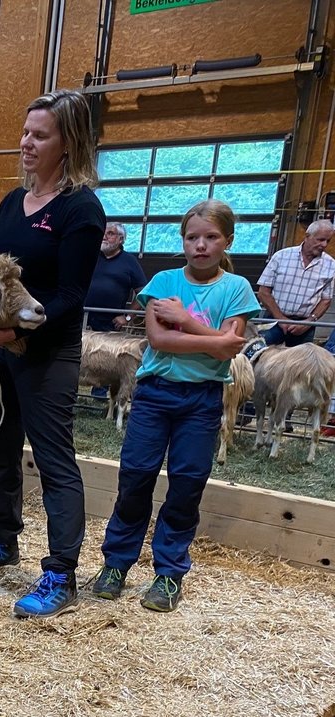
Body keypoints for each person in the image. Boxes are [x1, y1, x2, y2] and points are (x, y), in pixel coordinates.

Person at [0, 89, 106, 619]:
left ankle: (61, 572)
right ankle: (3, 540)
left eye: (39, 135)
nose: (26, 142)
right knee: (0, 448)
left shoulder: (80, 208)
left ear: (68, 143)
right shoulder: (9, 204)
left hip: (46, 354)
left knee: (53, 460)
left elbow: (70, 297)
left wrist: (10, 337)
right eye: (25, 132)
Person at [90, 199, 259, 612]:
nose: (200, 245)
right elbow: (161, 341)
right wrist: (212, 338)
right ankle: (117, 562)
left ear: (227, 241)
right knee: (136, 476)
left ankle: (169, 573)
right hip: (155, 394)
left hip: (201, 399)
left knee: (187, 482)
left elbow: (226, 354)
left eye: (211, 237)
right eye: (192, 237)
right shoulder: (163, 281)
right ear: (182, 240)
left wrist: (184, 322)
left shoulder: (236, 289)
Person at [256, 219, 334, 347]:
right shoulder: (281, 257)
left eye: (328, 241)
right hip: (274, 319)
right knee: (258, 354)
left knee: (300, 364)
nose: (324, 245)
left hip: (305, 325)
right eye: (320, 240)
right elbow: (264, 292)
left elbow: (326, 300)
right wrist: (280, 318)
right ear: (308, 236)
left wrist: (309, 322)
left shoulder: (330, 265)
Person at [86, 222, 147, 332]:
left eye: (110, 233)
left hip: (110, 326)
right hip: (82, 319)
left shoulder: (129, 261)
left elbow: (144, 293)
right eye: (102, 233)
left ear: (121, 239)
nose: (104, 237)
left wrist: (127, 317)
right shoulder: (90, 257)